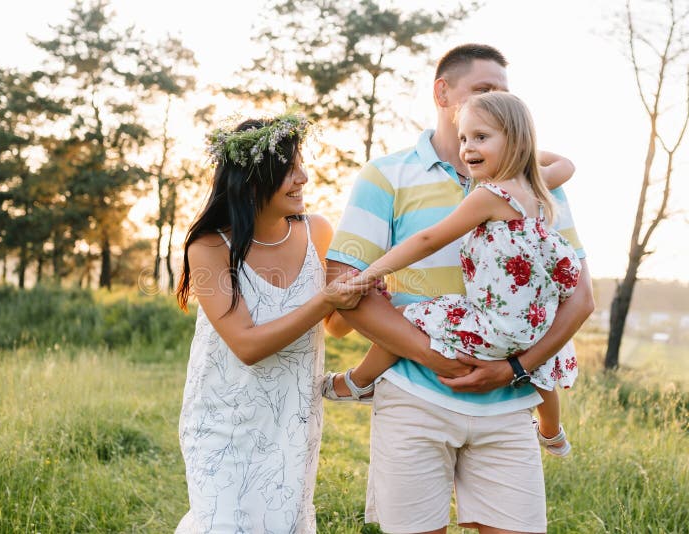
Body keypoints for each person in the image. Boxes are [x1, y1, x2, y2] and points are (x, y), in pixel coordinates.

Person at [324, 44, 595, 533]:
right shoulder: (386, 175)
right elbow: (342, 289)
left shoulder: (534, 188)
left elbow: (581, 296)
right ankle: (362, 383)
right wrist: (436, 358)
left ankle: (355, 382)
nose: (493, 103)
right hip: (415, 398)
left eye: (503, 96)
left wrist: (514, 368)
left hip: (510, 405)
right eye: (483, 90)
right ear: (442, 93)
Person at [174, 113, 367, 533]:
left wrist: (362, 290)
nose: (304, 177)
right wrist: (326, 301)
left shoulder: (317, 230)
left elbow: (333, 325)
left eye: (301, 164)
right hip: (225, 424)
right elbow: (246, 345)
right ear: (254, 179)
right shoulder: (209, 247)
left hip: (292, 422)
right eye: (289, 168)